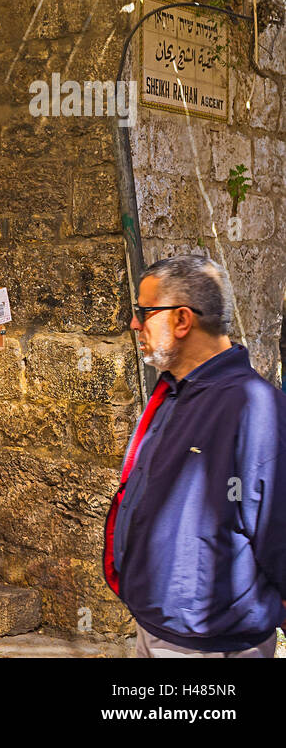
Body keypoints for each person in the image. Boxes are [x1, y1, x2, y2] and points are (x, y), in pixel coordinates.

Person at [104, 255, 286, 658]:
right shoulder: (176, 392)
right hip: (160, 628)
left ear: (182, 320)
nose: (135, 324)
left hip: (214, 642)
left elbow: (278, 527)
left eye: (145, 311)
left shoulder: (251, 406)